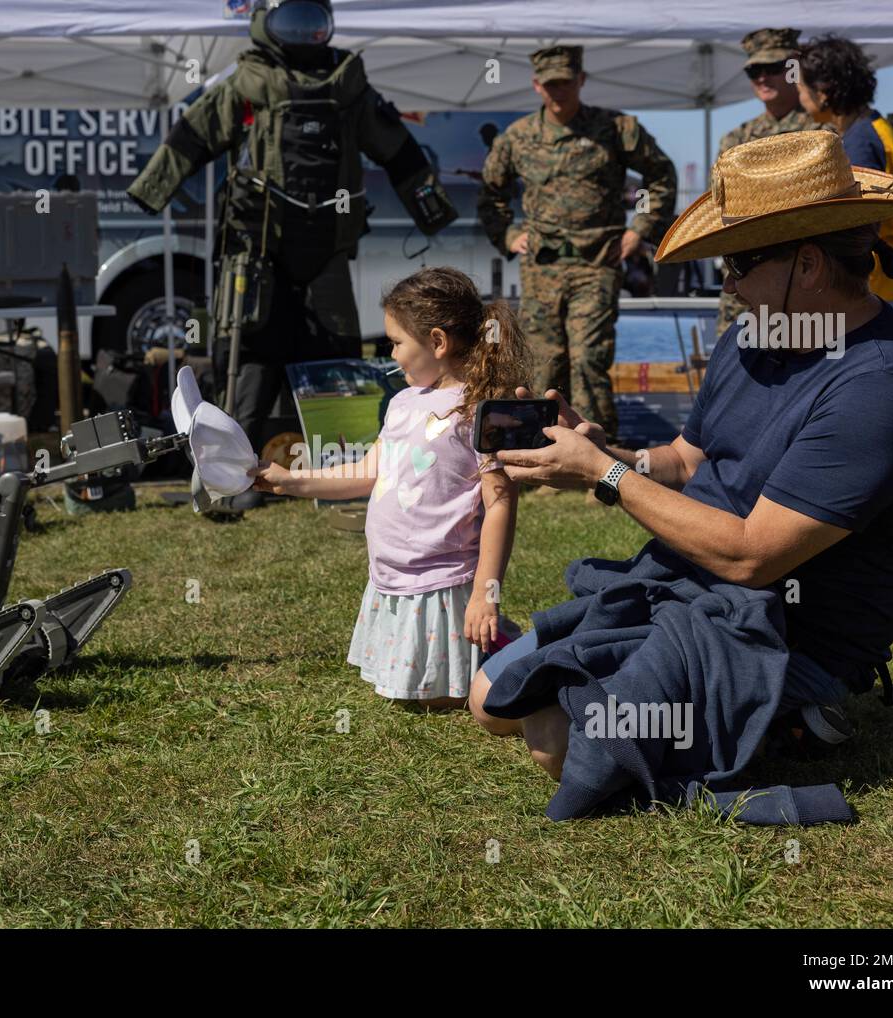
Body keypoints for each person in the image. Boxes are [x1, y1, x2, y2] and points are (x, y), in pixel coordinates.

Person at [467, 132, 893, 816]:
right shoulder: (753, 335)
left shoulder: (885, 385)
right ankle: (750, 722)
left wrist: (608, 478)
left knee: (555, 741)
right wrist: (602, 454)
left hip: (776, 632)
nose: (726, 281)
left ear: (811, 264)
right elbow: (685, 460)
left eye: (738, 261)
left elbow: (751, 557)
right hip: (684, 586)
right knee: (492, 698)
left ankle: (796, 709)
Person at [128, 0, 456, 509]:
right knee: (254, 360)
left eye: (312, 19)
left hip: (321, 252)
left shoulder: (345, 84)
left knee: (331, 363)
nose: (302, 31)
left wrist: (432, 207)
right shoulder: (252, 81)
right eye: (291, 20)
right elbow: (191, 136)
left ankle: (339, 480)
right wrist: (151, 190)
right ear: (266, 22)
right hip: (258, 251)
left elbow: (398, 149)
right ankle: (231, 482)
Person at [251, 266, 526, 707]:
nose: (392, 355)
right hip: (393, 573)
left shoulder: (479, 410)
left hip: (442, 580)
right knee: (410, 699)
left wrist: (484, 593)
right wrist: (292, 481)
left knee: (446, 700)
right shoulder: (401, 402)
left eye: (397, 343)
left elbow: (500, 503)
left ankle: (514, 656)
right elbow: (367, 470)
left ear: (437, 341)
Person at [477, 45, 677, 441]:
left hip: (596, 263)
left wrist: (640, 228)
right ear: (536, 85)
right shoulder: (518, 137)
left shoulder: (616, 129)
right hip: (542, 268)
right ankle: (540, 452)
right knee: (544, 364)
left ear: (581, 80)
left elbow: (662, 175)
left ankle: (599, 457)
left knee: (588, 360)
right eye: (550, 84)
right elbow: (490, 193)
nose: (558, 91)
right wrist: (508, 234)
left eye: (566, 82)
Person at [796, 34, 893, 319]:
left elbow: (857, 222)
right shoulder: (877, 127)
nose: (799, 98)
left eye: (800, 88)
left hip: (881, 285)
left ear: (822, 91)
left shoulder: (860, 141)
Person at [715, 27, 819, 338]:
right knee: (736, 370)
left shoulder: (821, 132)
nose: (762, 78)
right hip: (745, 277)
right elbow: (720, 208)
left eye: (773, 68)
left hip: (804, 280)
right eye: (754, 70)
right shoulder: (735, 139)